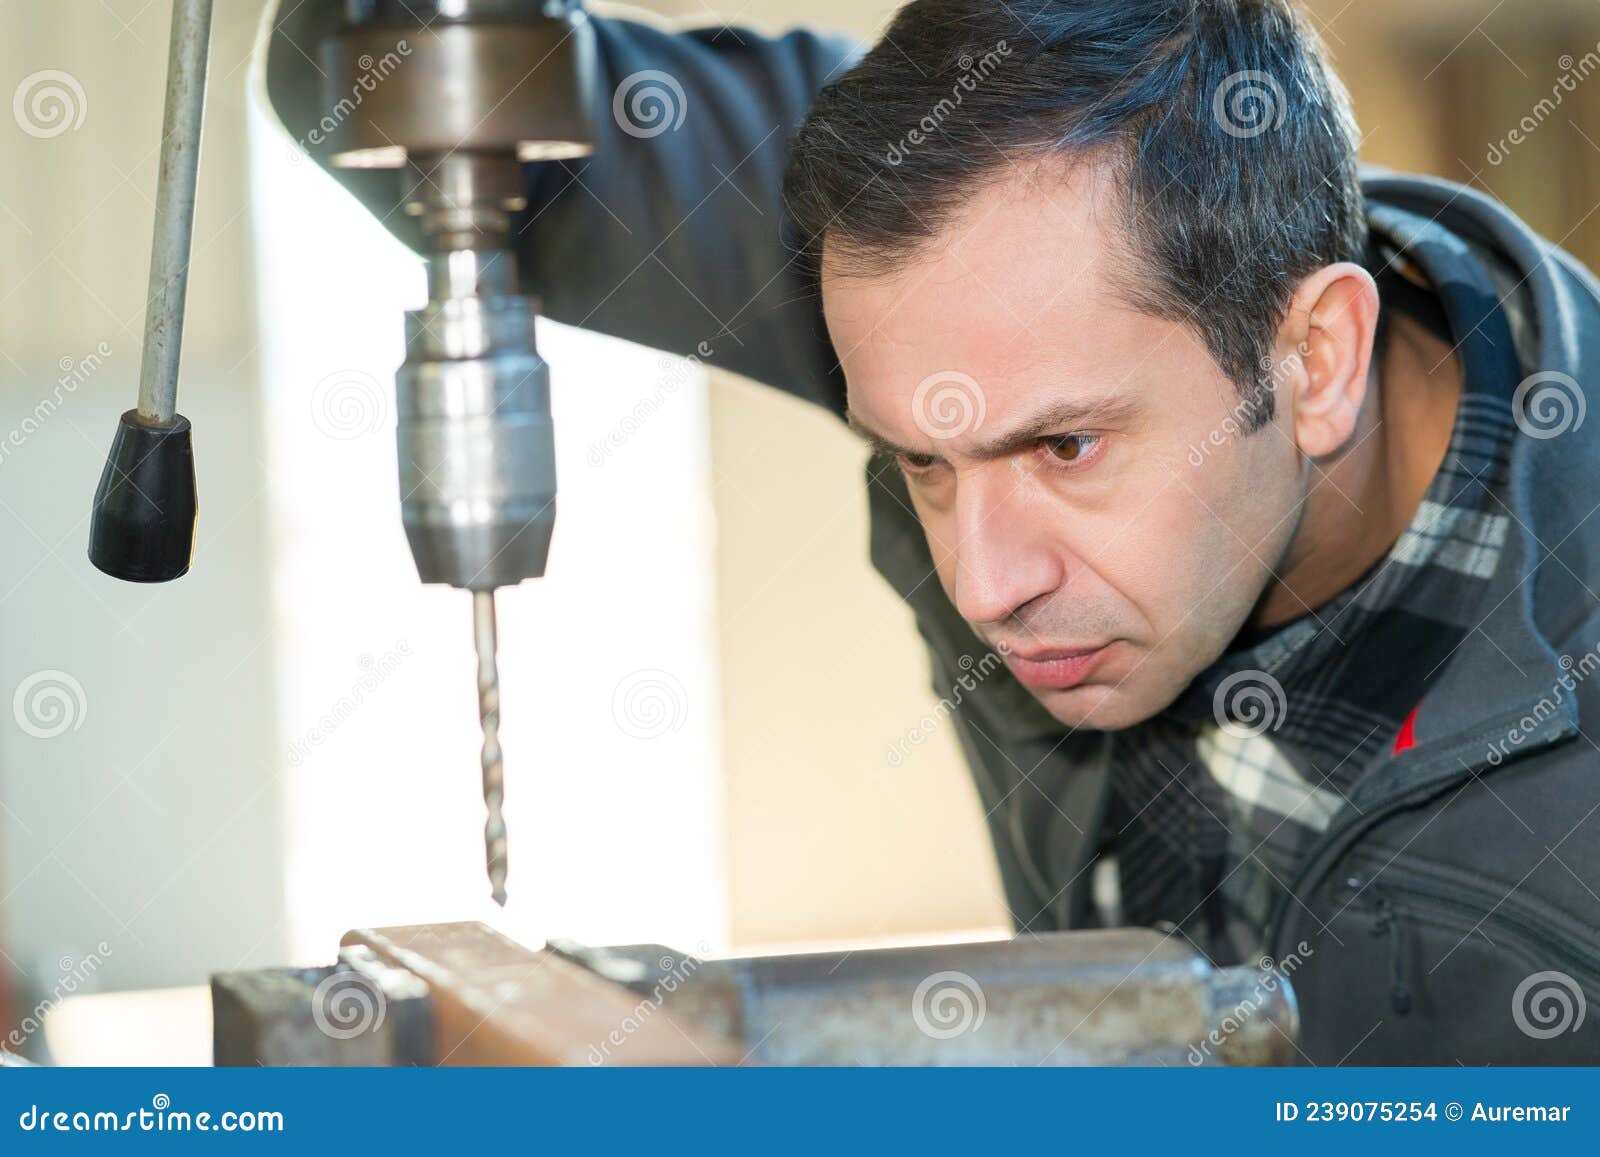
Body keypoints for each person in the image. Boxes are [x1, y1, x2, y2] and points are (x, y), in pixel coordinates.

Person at [265, 0, 1600, 1064]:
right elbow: (366, 74)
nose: (987, 582)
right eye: (922, 460)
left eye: (1063, 447)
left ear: (1315, 359)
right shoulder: (941, 237)